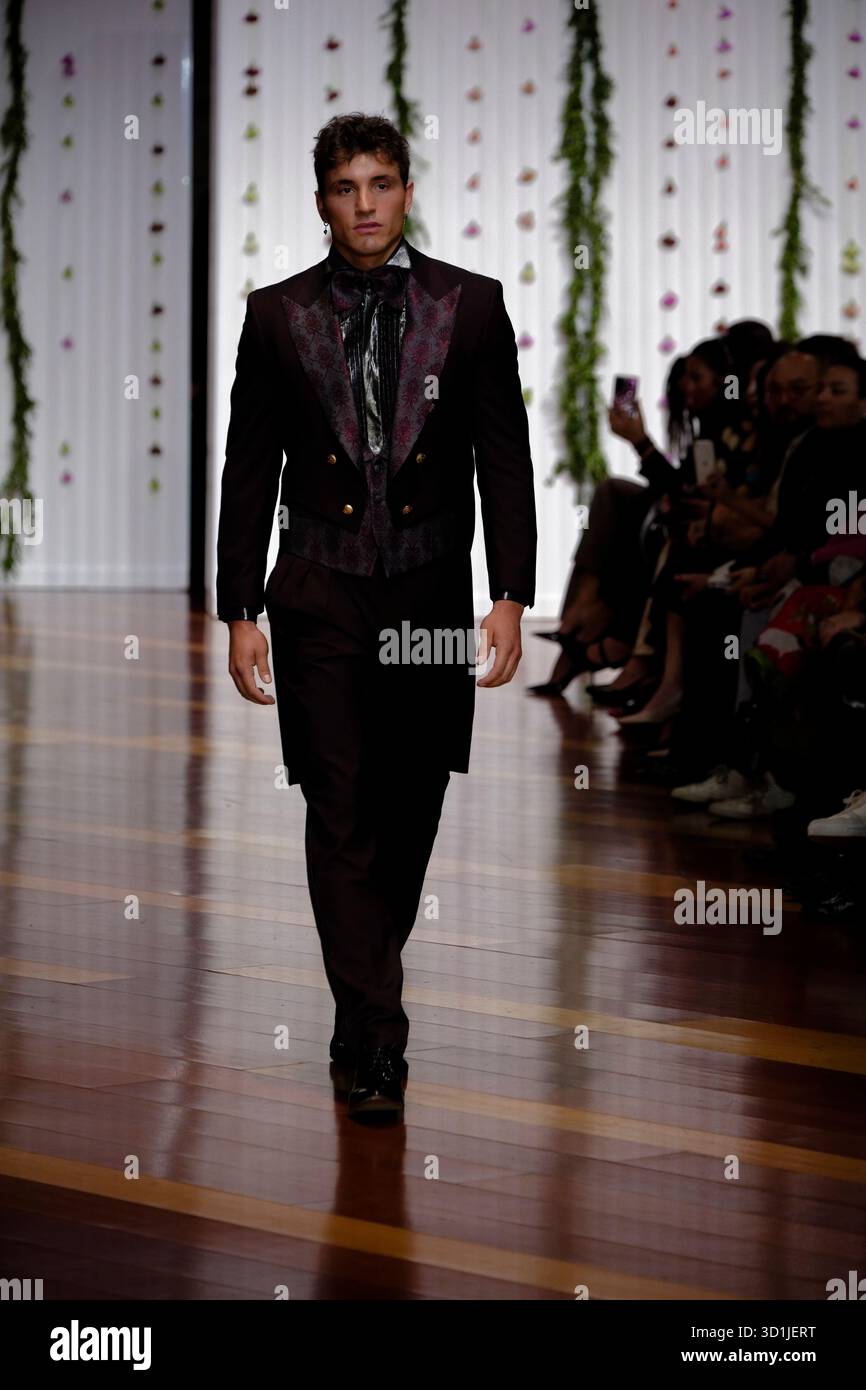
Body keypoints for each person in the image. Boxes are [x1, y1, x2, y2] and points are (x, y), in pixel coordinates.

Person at [215, 113, 537, 1123]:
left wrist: (510, 593)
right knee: (339, 802)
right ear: (321, 200)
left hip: (432, 588)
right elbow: (247, 467)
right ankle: (382, 1036)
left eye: (381, 183)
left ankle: (360, 1008)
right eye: (346, 186)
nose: (364, 204)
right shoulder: (275, 316)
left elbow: (502, 456)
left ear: (405, 190)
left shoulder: (471, 307)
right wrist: (238, 606)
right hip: (315, 587)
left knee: (409, 802)